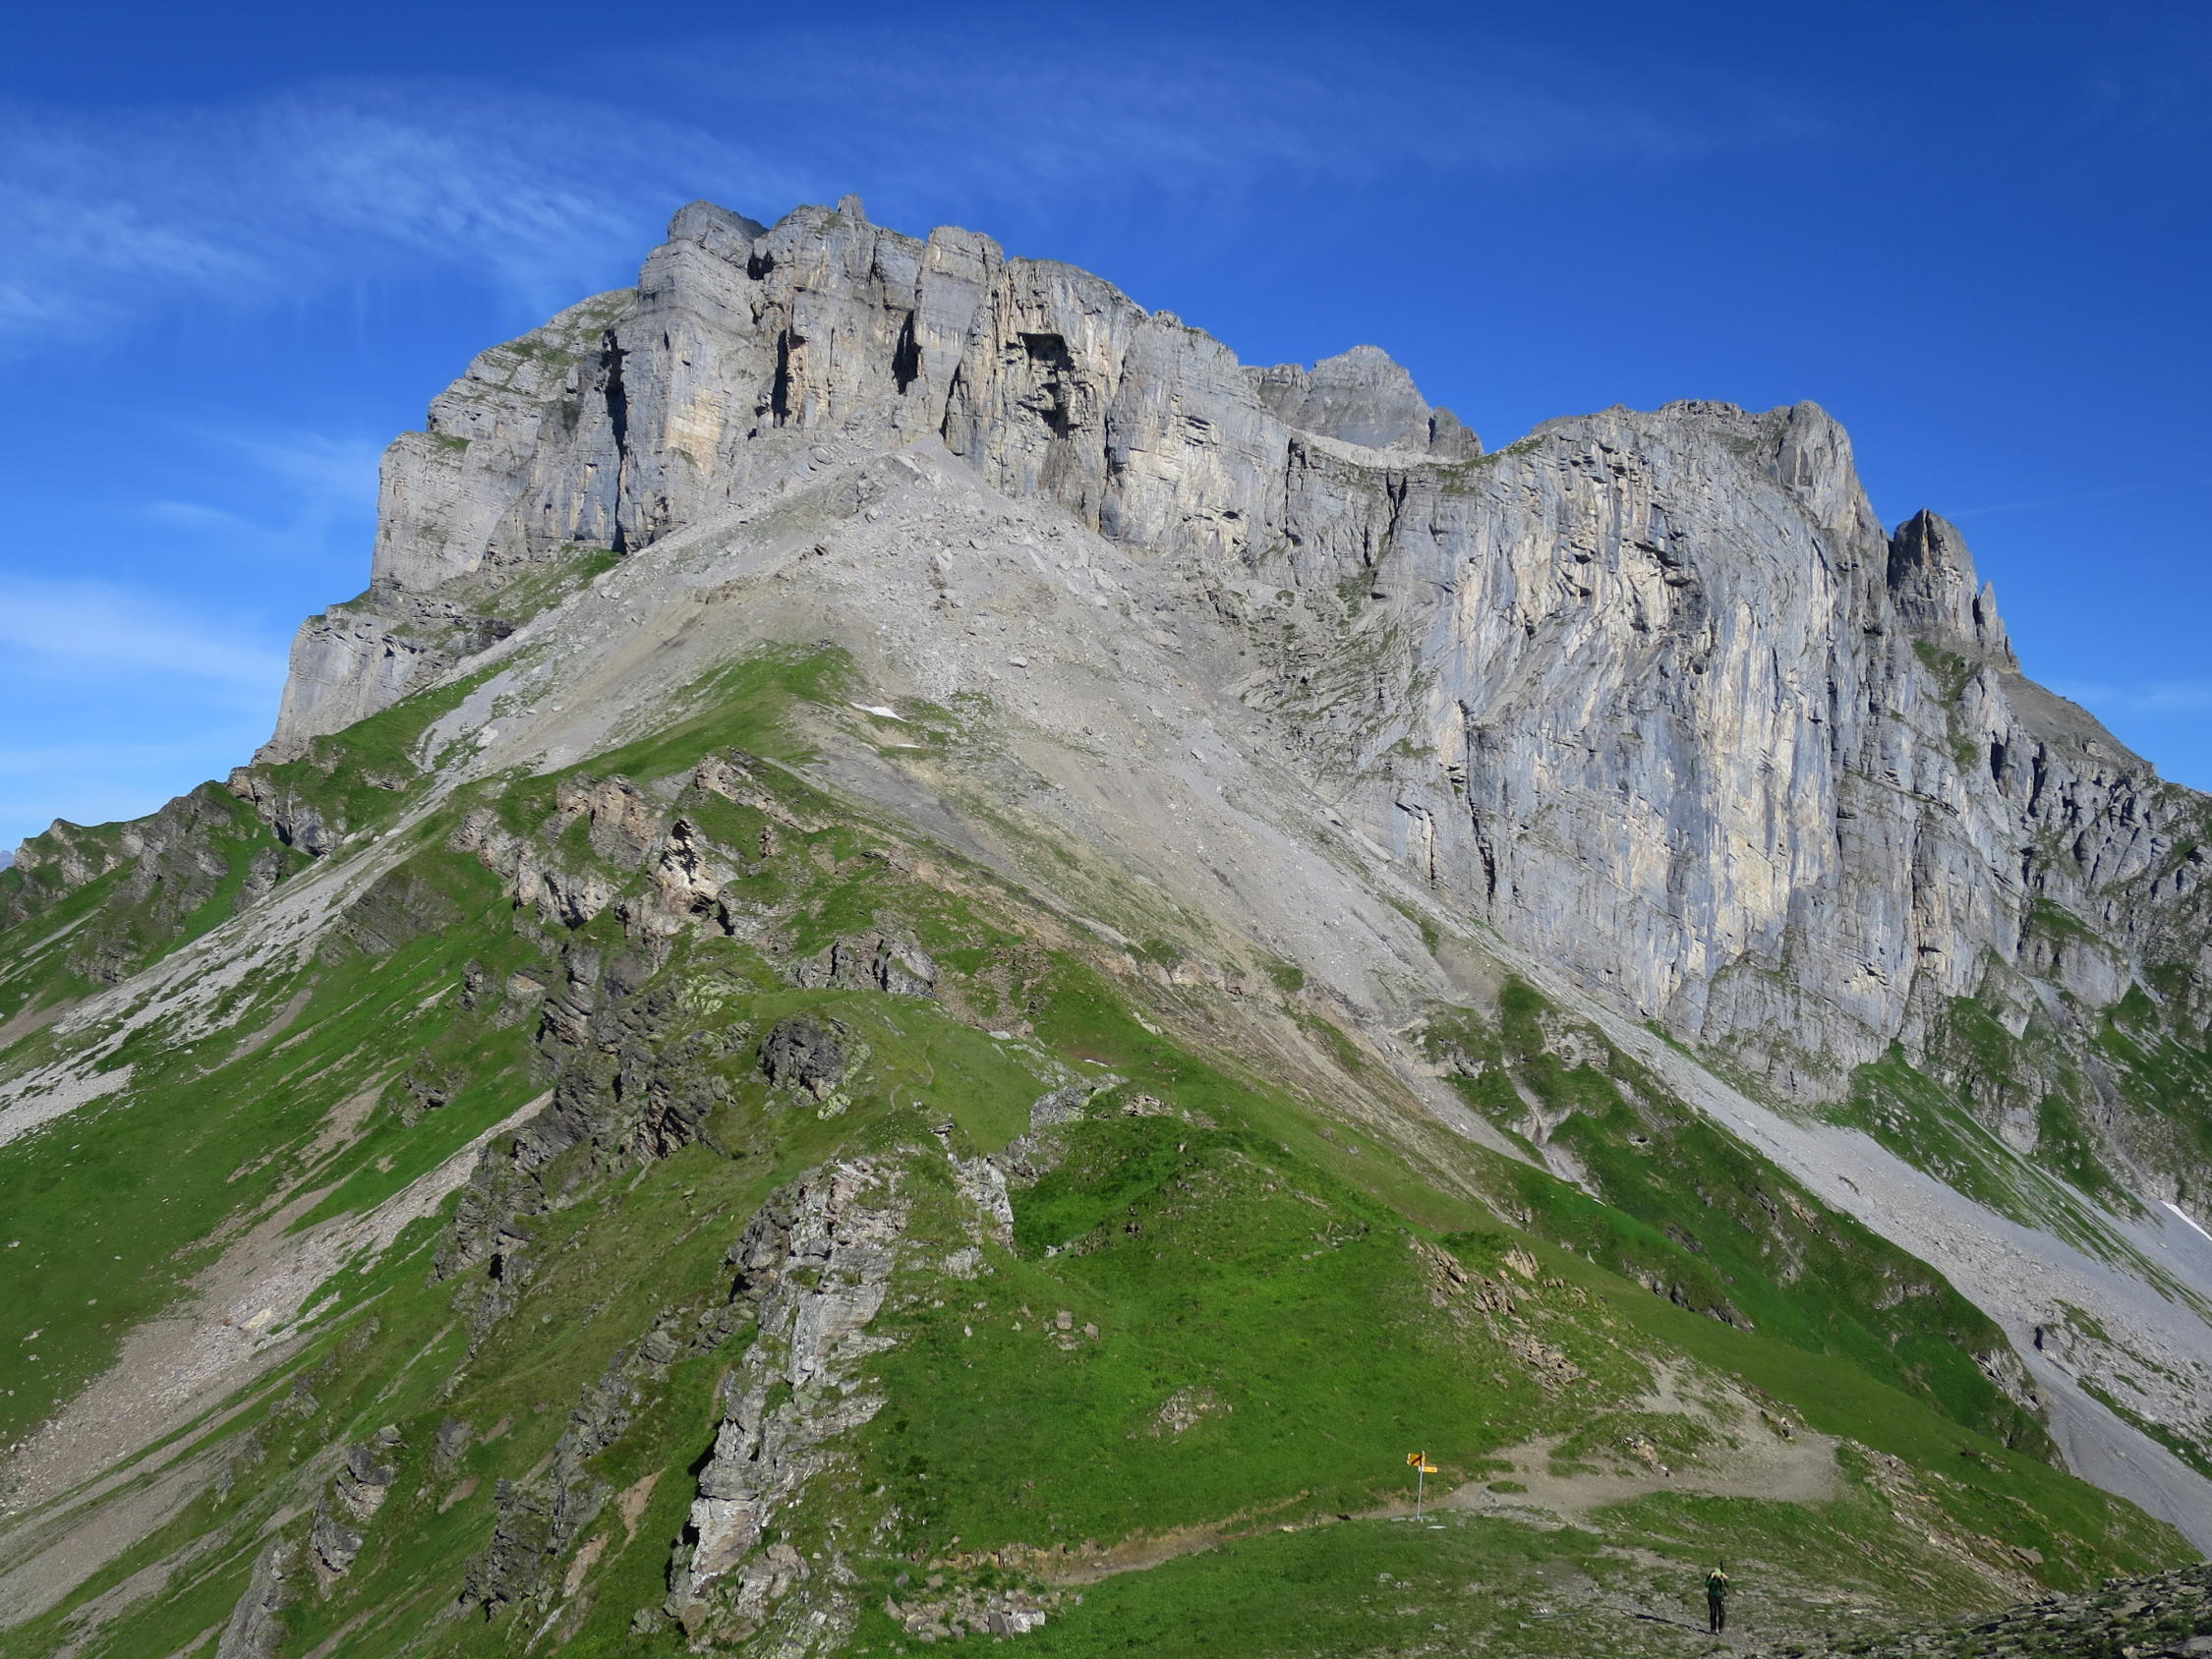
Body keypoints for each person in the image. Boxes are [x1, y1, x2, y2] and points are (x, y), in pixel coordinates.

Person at [1706, 1566, 1730, 1633]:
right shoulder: (1711, 1578)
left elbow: (1728, 1585)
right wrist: (1711, 1578)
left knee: (1722, 1612)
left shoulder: (1721, 1579)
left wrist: (1725, 1579)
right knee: (1713, 1612)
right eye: (1717, 1575)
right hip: (1712, 1597)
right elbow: (1706, 1585)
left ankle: (1721, 1627)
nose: (1718, 1577)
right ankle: (1713, 1628)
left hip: (1720, 1597)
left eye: (1719, 1575)